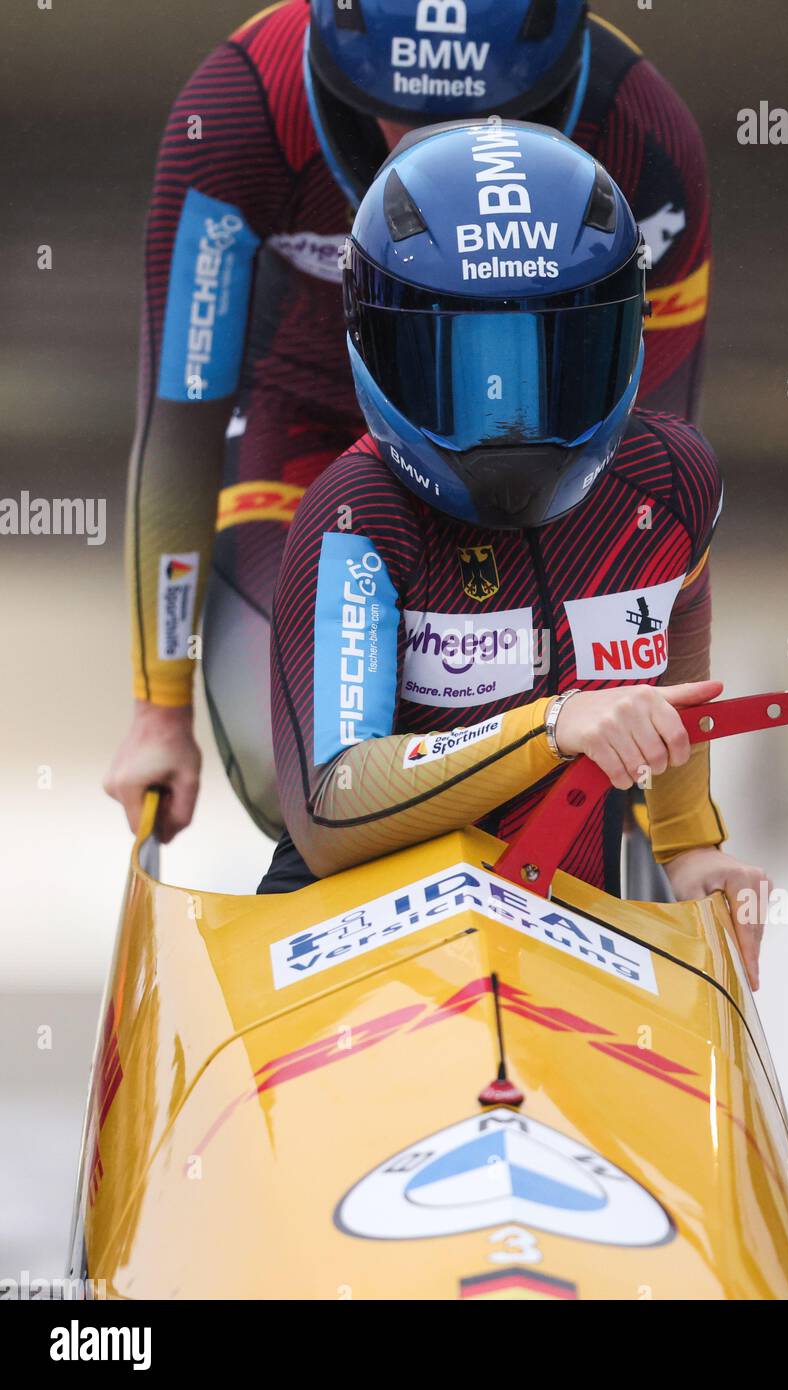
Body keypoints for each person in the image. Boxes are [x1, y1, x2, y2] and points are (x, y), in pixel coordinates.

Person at [103, 0, 713, 843]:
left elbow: (646, 448)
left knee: (579, 758)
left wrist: (668, 817)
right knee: (286, 767)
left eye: (484, 114)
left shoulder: (640, 133)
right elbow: (182, 412)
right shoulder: (245, 109)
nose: (434, 147)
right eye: (399, 110)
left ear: (556, 79)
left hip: (524, 437)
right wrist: (158, 712)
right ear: (336, 74)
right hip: (302, 422)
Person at [264, 120, 770, 989]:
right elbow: (334, 800)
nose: (511, 420)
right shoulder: (358, 517)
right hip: (359, 960)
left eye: (556, 355)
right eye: (461, 360)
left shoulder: (669, 487)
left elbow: (678, 656)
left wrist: (690, 850)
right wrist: (551, 726)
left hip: (565, 946)